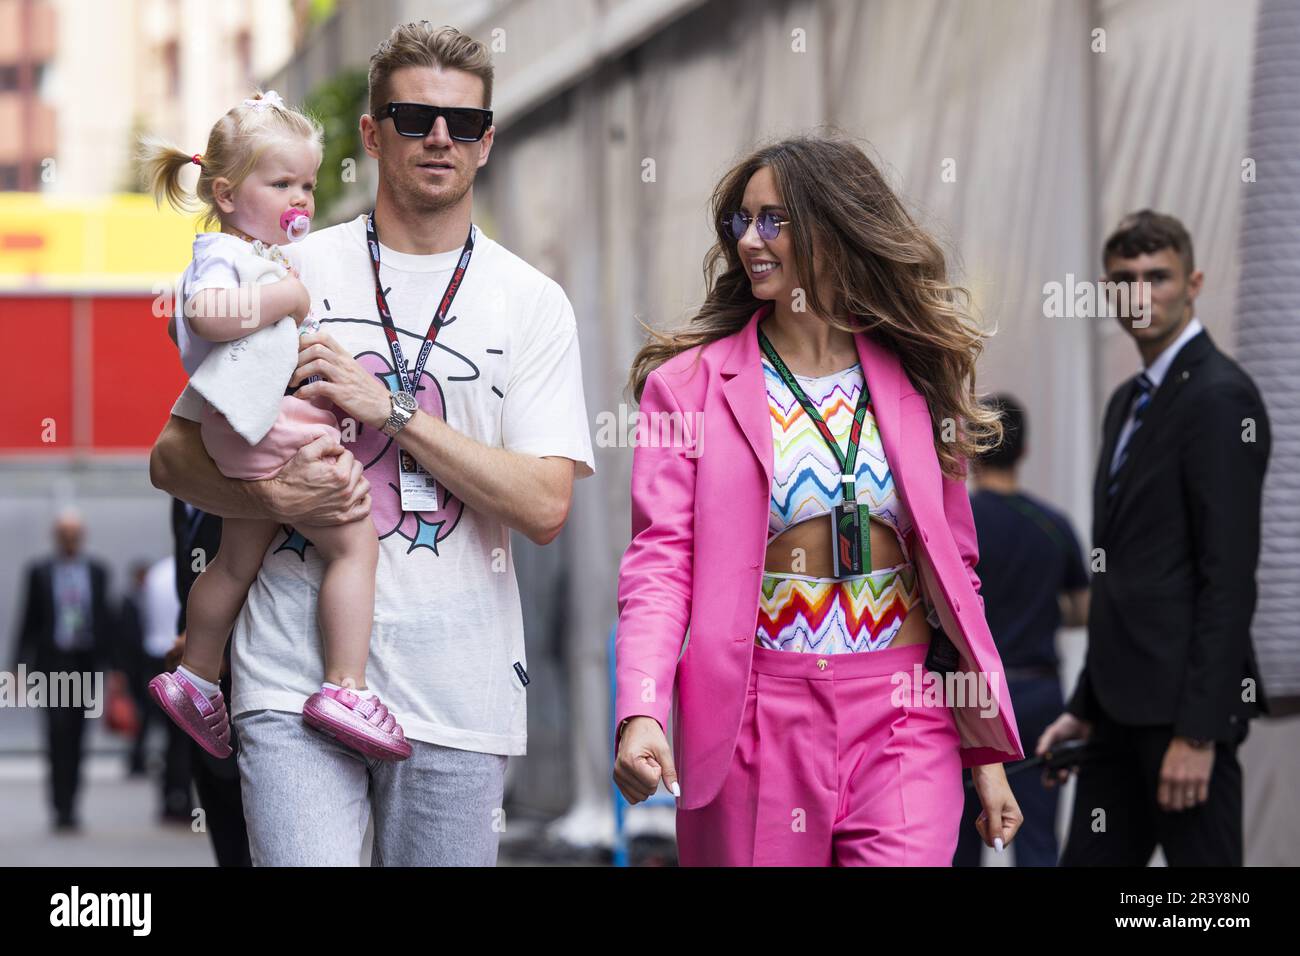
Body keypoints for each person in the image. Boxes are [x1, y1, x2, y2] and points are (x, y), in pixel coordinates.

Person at [149, 21, 595, 865]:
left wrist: (389, 409)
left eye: (462, 124)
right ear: (370, 131)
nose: (438, 138)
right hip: (288, 678)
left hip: (458, 694)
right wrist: (271, 500)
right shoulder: (286, 267)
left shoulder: (531, 303)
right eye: (413, 116)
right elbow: (172, 458)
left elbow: (544, 505)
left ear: (487, 141)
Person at [613, 134, 1024, 866]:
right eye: (742, 222)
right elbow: (660, 563)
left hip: (905, 713)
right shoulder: (685, 387)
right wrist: (642, 707)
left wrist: (981, 749)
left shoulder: (922, 376)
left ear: (832, 228)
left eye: (775, 220)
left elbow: (955, 573)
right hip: (757, 715)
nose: (750, 240)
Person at [138, 90, 409, 761]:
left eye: (308, 184)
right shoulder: (226, 256)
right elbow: (203, 313)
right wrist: (287, 297)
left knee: (236, 559)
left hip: (244, 433)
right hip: (269, 422)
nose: (301, 198)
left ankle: (198, 677)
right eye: (281, 182)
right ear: (227, 195)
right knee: (352, 541)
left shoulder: (252, 251)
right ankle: (346, 686)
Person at [1039, 210, 1272, 866]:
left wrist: (1198, 733)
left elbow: (1228, 577)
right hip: (1115, 713)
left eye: (1158, 277)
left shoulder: (1221, 398)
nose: (1141, 293)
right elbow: (1126, 576)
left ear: (1193, 282)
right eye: (1124, 279)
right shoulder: (1127, 401)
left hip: (1184, 720)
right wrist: (1085, 705)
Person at [952, 395, 1089, 867]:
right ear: (1025, 449)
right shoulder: (1053, 524)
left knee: (957, 842)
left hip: (968, 696)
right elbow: (1083, 609)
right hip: (1038, 694)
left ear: (970, 448)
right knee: (1037, 843)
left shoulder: (957, 523)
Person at [12, 509, 117, 832]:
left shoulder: (97, 572)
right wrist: (17, 669)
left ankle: (72, 804)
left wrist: (115, 669)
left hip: (84, 662)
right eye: (64, 534)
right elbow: (27, 620)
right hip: (53, 665)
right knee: (57, 732)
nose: (70, 540)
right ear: (56, 538)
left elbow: (105, 619)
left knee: (78, 735)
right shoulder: (40, 572)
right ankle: (59, 805)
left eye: (75, 534)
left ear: (81, 537)